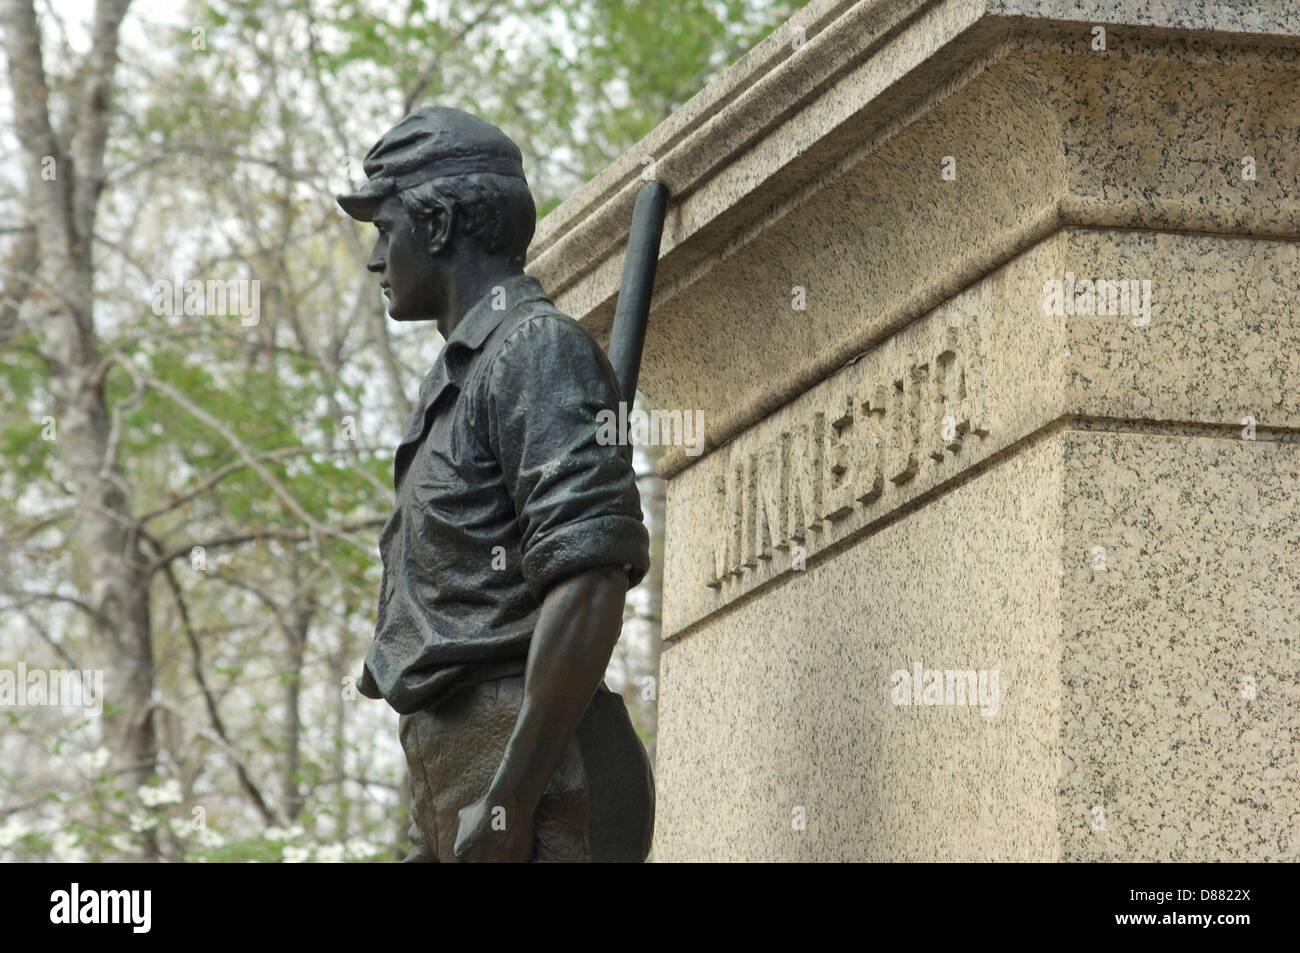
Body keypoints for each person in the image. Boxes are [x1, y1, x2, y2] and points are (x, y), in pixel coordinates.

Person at [337, 106, 654, 862]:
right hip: (469, 782)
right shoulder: (463, 378)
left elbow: (589, 580)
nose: (376, 259)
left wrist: (511, 795)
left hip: (550, 788)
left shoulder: (534, 351)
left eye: (386, 229)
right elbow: (450, 642)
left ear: (439, 224)